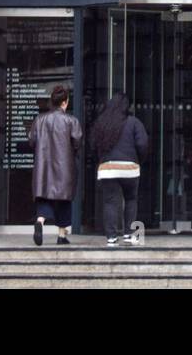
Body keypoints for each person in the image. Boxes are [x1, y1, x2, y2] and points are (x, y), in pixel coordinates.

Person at [89, 93, 149, 247]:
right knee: (131, 199)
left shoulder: (101, 123)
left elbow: (93, 146)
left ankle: (111, 237)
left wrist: (101, 161)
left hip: (108, 168)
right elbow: (142, 144)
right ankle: (129, 234)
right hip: (130, 168)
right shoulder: (134, 122)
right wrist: (138, 160)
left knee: (110, 202)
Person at [28, 84, 82, 246]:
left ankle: (40, 221)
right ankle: (61, 236)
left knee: (44, 198)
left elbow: (32, 141)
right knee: (64, 200)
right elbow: (77, 142)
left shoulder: (39, 120)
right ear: (65, 102)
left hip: (44, 167)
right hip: (65, 167)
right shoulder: (71, 120)